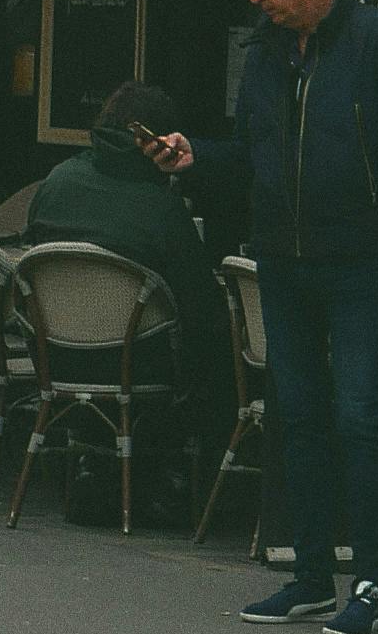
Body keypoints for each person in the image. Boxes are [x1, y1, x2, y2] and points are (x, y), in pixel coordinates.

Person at [152, 0, 378, 634]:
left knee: (357, 413)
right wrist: (197, 157)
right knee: (298, 414)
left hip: (356, 257)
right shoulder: (267, 49)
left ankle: (373, 582)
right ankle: (313, 576)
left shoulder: (376, 39)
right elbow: (255, 150)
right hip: (282, 256)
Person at [29, 78, 235, 487]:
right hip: (137, 366)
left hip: (54, 358)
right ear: (160, 141)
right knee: (220, 352)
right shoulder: (159, 206)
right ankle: (204, 485)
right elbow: (202, 310)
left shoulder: (56, 181)